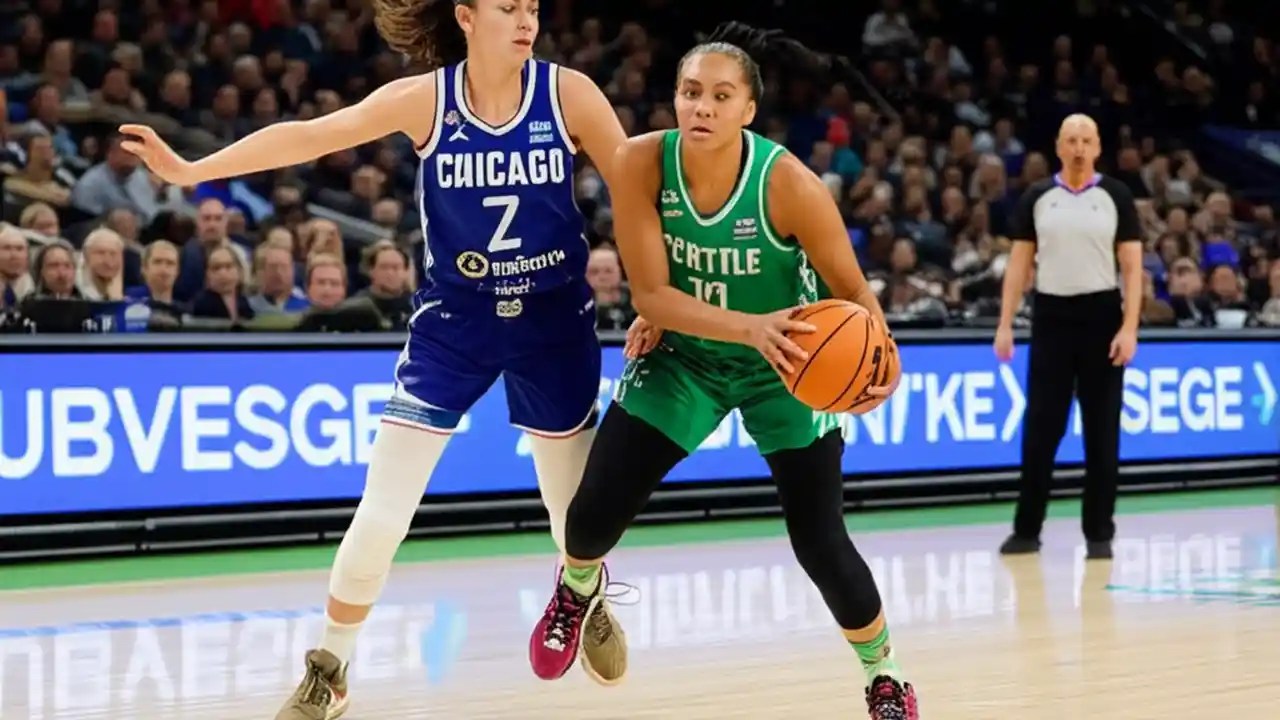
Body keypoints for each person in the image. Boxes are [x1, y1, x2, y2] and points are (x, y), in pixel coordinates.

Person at [119, 1, 629, 717]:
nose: (526, 20)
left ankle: (581, 592)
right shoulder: (427, 100)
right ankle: (330, 669)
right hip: (455, 324)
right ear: (466, 16)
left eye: (534, 7)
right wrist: (193, 168)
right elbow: (310, 135)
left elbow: (637, 188)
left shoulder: (568, 93)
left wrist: (656, 299)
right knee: (383, 510)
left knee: (572, 519)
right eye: (508, 6)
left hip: (552, 322)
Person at [525, 23, 918, 720]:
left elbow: (854, 290)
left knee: (820, 542)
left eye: (720, 95)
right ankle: (578, 588)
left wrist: (881, 360)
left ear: (748, 110)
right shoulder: (641, 163)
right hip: (687, 358)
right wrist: (744, 327)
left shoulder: (789, 184)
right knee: (587, 520)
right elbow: (651, 297)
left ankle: (885, 676)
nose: (702, 106)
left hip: (788, 368)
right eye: (690, 92)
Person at [993, 113, 1142, 561]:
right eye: (1071, 140)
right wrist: (1005, 323)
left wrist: (1129, 326)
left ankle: (1099, 534)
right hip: (1051, 317)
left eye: (1086, 140)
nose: (1078, 148)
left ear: (1098, 148)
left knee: (1102, 431)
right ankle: (1026, 530)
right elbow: (1019, 265)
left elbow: (1132, 268)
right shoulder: (1038, 197)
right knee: (1041, 429)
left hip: (1102, 317)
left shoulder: (1116, 196)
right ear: (1059, 146)